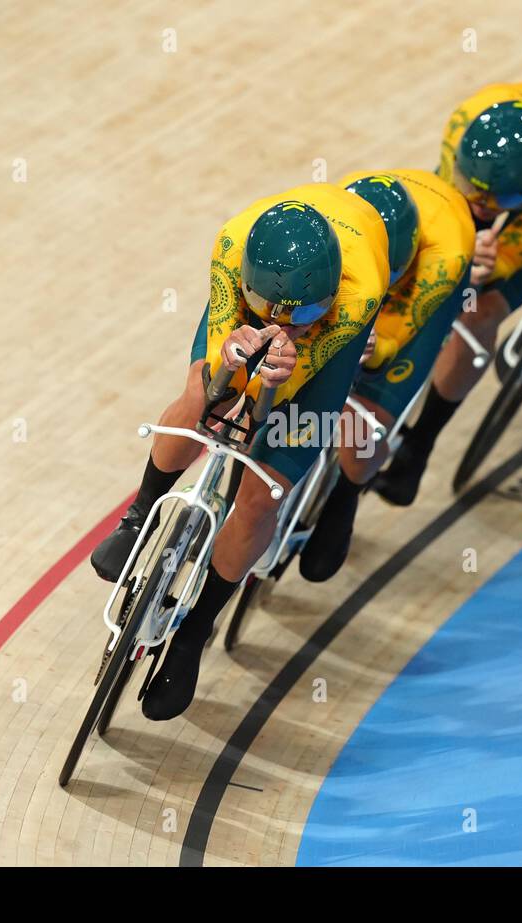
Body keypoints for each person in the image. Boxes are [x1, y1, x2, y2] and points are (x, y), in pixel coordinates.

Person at [90, 185, 389, 719]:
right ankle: (139, 516)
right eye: (275, 311)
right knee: (199, 393)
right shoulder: (231, 244)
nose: (289, 321)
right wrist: (225, 370)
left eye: (307, 311)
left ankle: (193, 635)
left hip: (332, 339)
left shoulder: (357, 292)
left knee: (261, 496)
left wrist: (275, 379)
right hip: (250, 292)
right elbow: (218, 374)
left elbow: (285, 389)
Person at [374, 83, 522, 506]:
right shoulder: (463, 126)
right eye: (475, 192)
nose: (482, 205)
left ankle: (419, 445)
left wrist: (489, 266)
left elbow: (507, 257)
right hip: (491, 164)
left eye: (495, 202)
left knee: (479, 312)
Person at [298, 169, 474, 581]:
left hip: (415, 296)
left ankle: (346, 494)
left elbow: (397, 337)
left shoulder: (442, 257)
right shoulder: (332, 222)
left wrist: (383, 347)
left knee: (371, 411)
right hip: (346, 270)